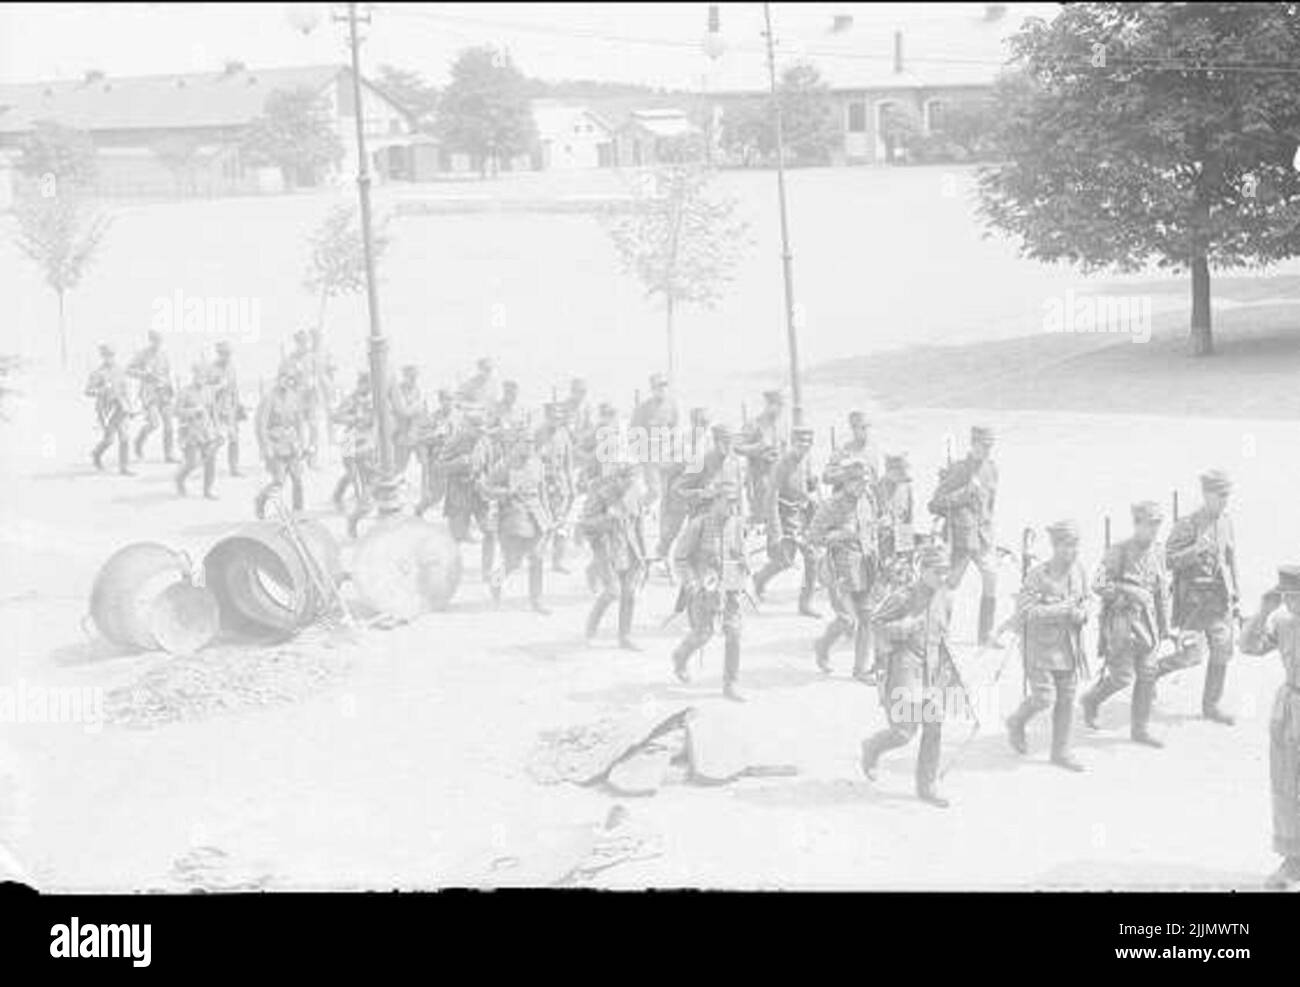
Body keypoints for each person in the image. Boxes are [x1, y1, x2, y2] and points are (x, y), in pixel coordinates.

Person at [858, 543, 958, 808]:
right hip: (905, 667)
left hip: (932, 669)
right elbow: (875, 624)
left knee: (934, 727)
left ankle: (927, 786)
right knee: (903, 732)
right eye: (938, 571)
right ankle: (872, 747)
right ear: (922, 570)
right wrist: (905, 627)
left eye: (947, 572)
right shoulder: (903, 597)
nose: (943, 577)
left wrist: (950, 672)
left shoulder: (945, 598)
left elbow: (943, 636)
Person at [1081, 500, 1172, 747]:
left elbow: (1161, 590)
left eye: (1157, 525)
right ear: (1137, 524)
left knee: (1148, 674)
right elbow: (1097, 584)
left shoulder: (1159, 551)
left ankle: (1139, 730)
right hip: (1122, 623)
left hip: (1149, 623)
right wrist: (1128, 590)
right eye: (1149, 524)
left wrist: (1165, 626)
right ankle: (1091, 700)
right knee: (1122, 677)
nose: (1154, 530)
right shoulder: (1118, 551)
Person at [1005, 520, 1090, 772]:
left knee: (1066, 698)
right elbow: (1026, 611)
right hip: (1039, 647)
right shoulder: (1038, 575)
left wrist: (1082, 614)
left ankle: (1061, 752)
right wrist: (1061, 609)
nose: (1072, 551)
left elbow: (1085, 601)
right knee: (1044, 698)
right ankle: (1017, 721)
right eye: (1066, 546)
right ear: (1055, 546)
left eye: (1076, 545)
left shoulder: (1079, 571)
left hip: (1069, 646)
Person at [1160, 469, 1241, 725]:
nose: (1225, 500)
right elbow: (1167, 560)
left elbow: (1231, 560)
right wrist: (1195, 550)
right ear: (1206, 495)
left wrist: (1237, 596)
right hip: (1194, 604)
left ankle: (1212, 706)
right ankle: (1150, 674)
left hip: (1220, 601)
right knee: (1190, 656)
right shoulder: (1187, 524)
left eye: (1227, 496)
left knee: (1222, 651)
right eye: (1220, 495)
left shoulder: (1226, 522)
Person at [1239, 565, 1300, 890]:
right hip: (1289, 708)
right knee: (1286, 788)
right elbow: (1248, 646)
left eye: (1295, 596)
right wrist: (1263, 610)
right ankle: (1293, 861)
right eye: (1286, 596)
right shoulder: (1284, 622)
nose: (1289, 602)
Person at [669, 479, 749, 701]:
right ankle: (680, 656)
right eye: (728, 502)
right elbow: (680, 558)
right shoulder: (699, 525)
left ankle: (730, 684)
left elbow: (741, 551)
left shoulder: (737, 524)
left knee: (734, 633)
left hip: (731, 588)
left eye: (736, 502)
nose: (732, 507)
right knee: (704, 634)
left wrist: (744, 563)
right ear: (715, 501)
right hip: (705, 591)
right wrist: (691, 582)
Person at [928, 425, 999, 645]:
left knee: (991, 577)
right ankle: (941, 631)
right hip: (962, 536)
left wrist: (987, 522)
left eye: (990, 446)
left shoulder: (992, 469)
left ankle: (985, 635)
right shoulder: (959, 470)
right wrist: (965, 493)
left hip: (983, 535)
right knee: (951, 584)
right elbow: (935, 503)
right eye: (982, 446)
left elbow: (990, 502)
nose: (986, 450)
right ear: (973, 444)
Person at [808, 459, 878, 681]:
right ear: (846, 482)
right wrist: (840, 535)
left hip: (865, 566)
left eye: (865, 481)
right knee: (847, 619)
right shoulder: (832, 505)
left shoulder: (868, 499)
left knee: (867, 617)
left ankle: (860, 670)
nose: (862, 486)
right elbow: (813, 537)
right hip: (840, 570)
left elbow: (871, 530)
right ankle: (822, 645)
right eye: (856, 482)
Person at [753, 425, 821, 617]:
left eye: (808, 443)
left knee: (812, 558)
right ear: (792, 443)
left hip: (803, 515)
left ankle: (805, 603)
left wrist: (811, 484)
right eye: (800, 442)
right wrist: (775, 530)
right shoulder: (781, 465)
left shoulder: (806, 460)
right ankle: (759, 579)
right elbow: (771, 497)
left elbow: (804, 485)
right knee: (784, 561)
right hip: (785, 515)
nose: (804, 446)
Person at [484, 425, 552, 613]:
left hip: (535, 516)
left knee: (537, 558)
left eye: (531, 442)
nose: (529, 446)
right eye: (525, 442)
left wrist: (548, 517)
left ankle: (536, 600)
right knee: (512, 562)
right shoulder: (504, 465)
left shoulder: (537, 463)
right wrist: (507, 492)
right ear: (515, 444)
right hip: (512, 519)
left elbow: (542, 491)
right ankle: (495, 582)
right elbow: (486, 488)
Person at [580, 460, 648, 650]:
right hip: (606, 547)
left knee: (630, 593)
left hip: (629, 547)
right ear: (618, 478)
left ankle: (624, 637)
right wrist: (609, 518)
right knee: (612, 592)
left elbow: (638, 525)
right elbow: (585, 524)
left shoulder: (634, 495)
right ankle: (590, 631)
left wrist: (644, 554)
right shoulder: (601, 494)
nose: (631, 486)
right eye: (628, 481)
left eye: (634, 481)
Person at [441, 412, 500, 579]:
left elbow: (490, 468)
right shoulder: (454, 442)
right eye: (476, 429)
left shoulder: (486, 443)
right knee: (456, 538)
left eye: (482, 430)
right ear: (467, 427)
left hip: (479, 494)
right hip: (459, 493)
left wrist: (489, 485)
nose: (479, 434)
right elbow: (438, 466)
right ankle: (450, 572)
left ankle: (486, 571)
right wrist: (457, 463)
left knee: (490, 532)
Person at [655, 406, 710, 561]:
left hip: (699, 492)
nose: (703, 426)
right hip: (678, 493)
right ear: (692, 422)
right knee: (670, 530)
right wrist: (680, 464)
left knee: (698, 529)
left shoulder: (709, 441)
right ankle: (661, 557)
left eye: (706, 423)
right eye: (699, 422)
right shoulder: (680, 440)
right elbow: (662, 464)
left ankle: (691, 559)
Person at [254, 367, 307, 519]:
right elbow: (260, 425)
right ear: (278, 379)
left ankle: (298, 512)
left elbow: (299, 422)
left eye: (290, 378)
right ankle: (260, 501)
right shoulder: (269, 398)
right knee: (278, 481)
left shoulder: (294, 397)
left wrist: (301, 443)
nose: (287, 381)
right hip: (275, 445)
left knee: (298, 479)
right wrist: (266, 447)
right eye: (284, 378)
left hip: (291, 444)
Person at [332, 372, 378, 537]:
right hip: (351, 441)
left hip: (369, 443)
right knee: (354, 475)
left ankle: (340, 495)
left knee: (367, 478)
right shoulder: (352, 399)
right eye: (365, 384)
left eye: (370, 384)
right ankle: (352, 519)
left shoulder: (375, 399)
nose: (368, 387)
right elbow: (335, 416)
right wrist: (353, 418)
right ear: (360, 384)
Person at [535, 402, 576, 573]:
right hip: (542, 485)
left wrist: (571, 486)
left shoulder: (564, 434)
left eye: (559, 418)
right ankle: (536, 559)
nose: (556, 421)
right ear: (546, 417)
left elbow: (568, 462)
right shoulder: (538, 434)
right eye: (553, 417)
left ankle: (557, 562)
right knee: (542, 524)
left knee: (562, 524)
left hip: (560, 485)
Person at [735, 389, 786, 522]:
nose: (780, 410)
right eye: (777, 405)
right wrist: (758, 449)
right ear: (768, 405)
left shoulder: (780, 427)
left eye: (782, 406)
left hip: (780, 479)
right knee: (762, 518)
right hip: (760, 478)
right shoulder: (754, 424)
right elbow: (736, 446)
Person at [127, 329, 176, 463]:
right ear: (150, 340)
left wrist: (171, 388)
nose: (157, 343)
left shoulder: (164, 355)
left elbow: (167, 373)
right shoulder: (142, 354)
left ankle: (169, 455)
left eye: (159, 340)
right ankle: (138, 442)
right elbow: (128, 370)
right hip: (149, 394)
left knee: (169, 425)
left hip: (164, 393)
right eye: (155, 340)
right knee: (154, 423)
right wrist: (144, 375)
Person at [173, 363, 221, 499]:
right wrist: (192, 411)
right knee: (192, 462)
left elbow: (213, 411)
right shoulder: (184, 391)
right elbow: (175, 411)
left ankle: (208, 491)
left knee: (211, 461)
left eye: (203, 376)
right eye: (198, 375)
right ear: (193, 376)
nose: (200, 378)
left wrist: (218, 429)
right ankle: (179, 479)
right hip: (189, 433)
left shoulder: (209, 391)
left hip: (206, 432)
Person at [85, 344, 134, 476]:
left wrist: (130, 407)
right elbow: (88, 391)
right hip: (106, 409)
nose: (110, 359)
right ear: (102, 357)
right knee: (109, 439)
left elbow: (125, 390)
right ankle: (97, 453)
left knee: (125, 437)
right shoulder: (97, 373)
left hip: (121, 407)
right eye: (107, 356)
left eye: (112, 356)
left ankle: (124, 467)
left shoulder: (120, 370)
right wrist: (101, 390)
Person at [630, 373, 679, 502]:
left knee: (668, 492)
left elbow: (675, 429)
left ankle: (658, 518)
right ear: (652, 388)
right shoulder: (643, 408)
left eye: (664, 385)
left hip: (666, 455)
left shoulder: (672, 406)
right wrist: (640, 454)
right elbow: (633, 433)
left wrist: (674, 450)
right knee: (654, 492)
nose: (662, 388)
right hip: (649, 457)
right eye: (659, 386)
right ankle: (639, 507)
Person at [414, 389, 458, 518]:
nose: (448, 403)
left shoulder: (457, 417)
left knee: (458, 489)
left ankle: (456, 520)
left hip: (454, 458)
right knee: (437, 494)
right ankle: (420, 508)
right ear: (440, 401)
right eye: (445, 400)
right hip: (438, 459)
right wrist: (436, 436)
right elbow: (421, 438)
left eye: (450, 400)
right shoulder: (433, 418)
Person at [210, 340, 245, 477]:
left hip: (230, 407)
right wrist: (219, 386)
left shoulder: (231, 367)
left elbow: (234, 387)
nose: (227, 356)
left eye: (229, 354)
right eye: (224, 353)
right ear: (219, 354)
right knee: (218, 439)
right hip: (217, 409)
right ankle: (207, 464)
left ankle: (234, 468)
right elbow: (206, 390)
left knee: (234, 438)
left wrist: (238, 404)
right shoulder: (212, 368)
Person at [823, 411, 880, 493]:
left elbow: (875, 481)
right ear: (853, 428)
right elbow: (826, 477)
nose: (866, 432)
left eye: (868, 428)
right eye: (863, 428)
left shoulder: (871, 453)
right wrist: (849, 473)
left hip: (865, 500)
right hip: (843, 500)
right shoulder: (842, 451)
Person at [389, 364, 427, 481]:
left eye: (415, 377)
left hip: (418, 434)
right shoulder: (398, 391)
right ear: (405, 376)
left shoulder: (418, 390)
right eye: (410, 377)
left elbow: (423, 411)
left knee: (426, 464)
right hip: (403, 435)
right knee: (399, 467)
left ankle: (426, 495)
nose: (413, 380)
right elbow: (403, 411)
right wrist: (417, 406)